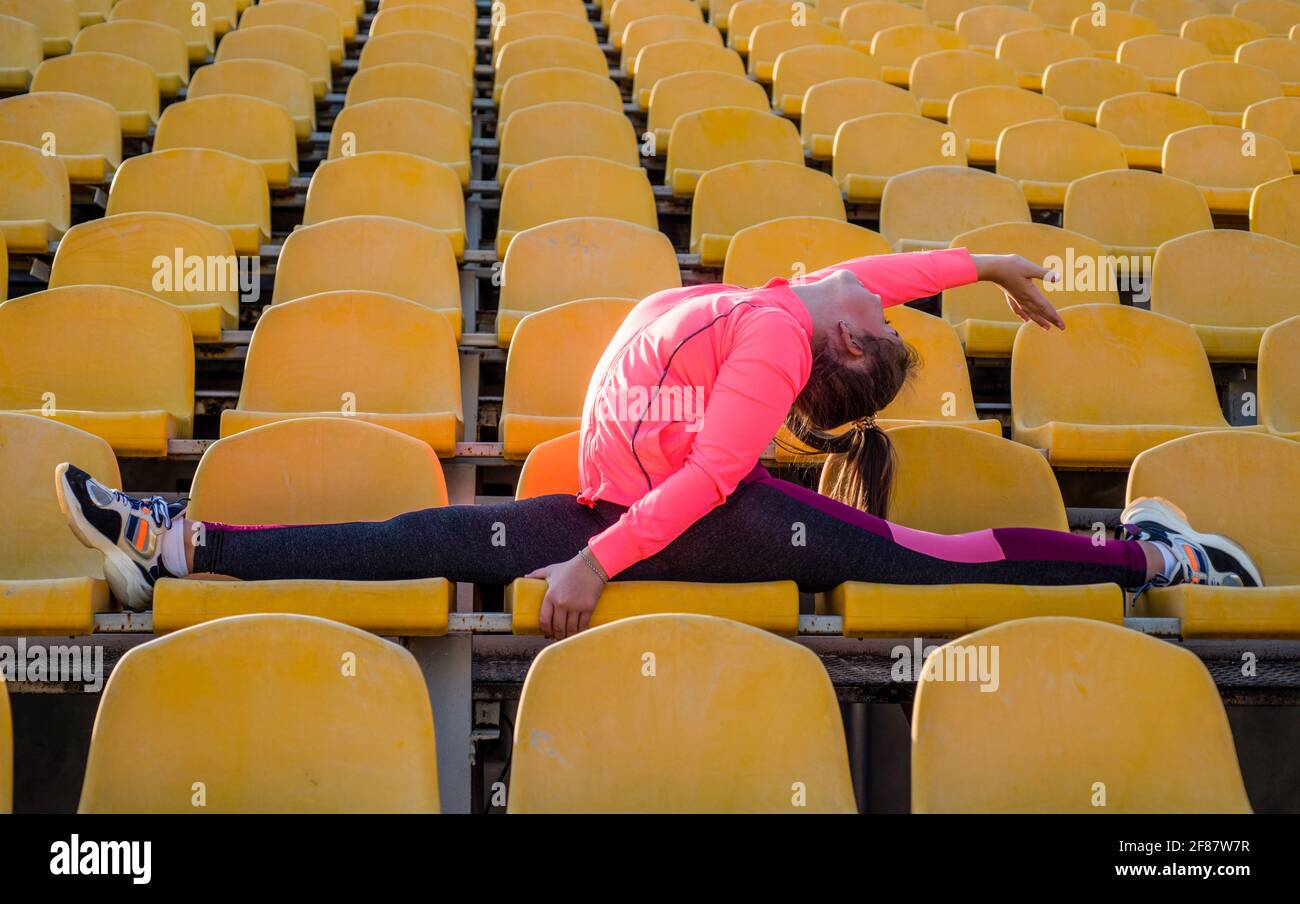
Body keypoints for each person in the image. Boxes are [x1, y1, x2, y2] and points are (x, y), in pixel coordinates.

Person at [55, 249, 1261, 638]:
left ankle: (1153, 558)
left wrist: (593, 567)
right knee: (416, 535)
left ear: (843, 351)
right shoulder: (790, 302)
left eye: (880, 319)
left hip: (691, 521)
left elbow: (715, 476)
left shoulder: (782, 347)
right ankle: (177, 536)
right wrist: (989, 264)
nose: (886, 297)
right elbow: (888, 271)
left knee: (936, 557)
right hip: (610, 510)